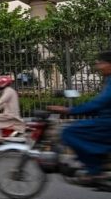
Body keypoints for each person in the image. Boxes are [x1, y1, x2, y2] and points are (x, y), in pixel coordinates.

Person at [48, 50, 111, 186]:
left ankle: (94, 169)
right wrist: (64, 93)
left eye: (102, 63)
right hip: (103, 119)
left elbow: (99, 102)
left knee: (69, 132)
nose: (99, 66)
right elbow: (88, 96)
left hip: (107, 123)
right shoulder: (107, 79)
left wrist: (69, 110)